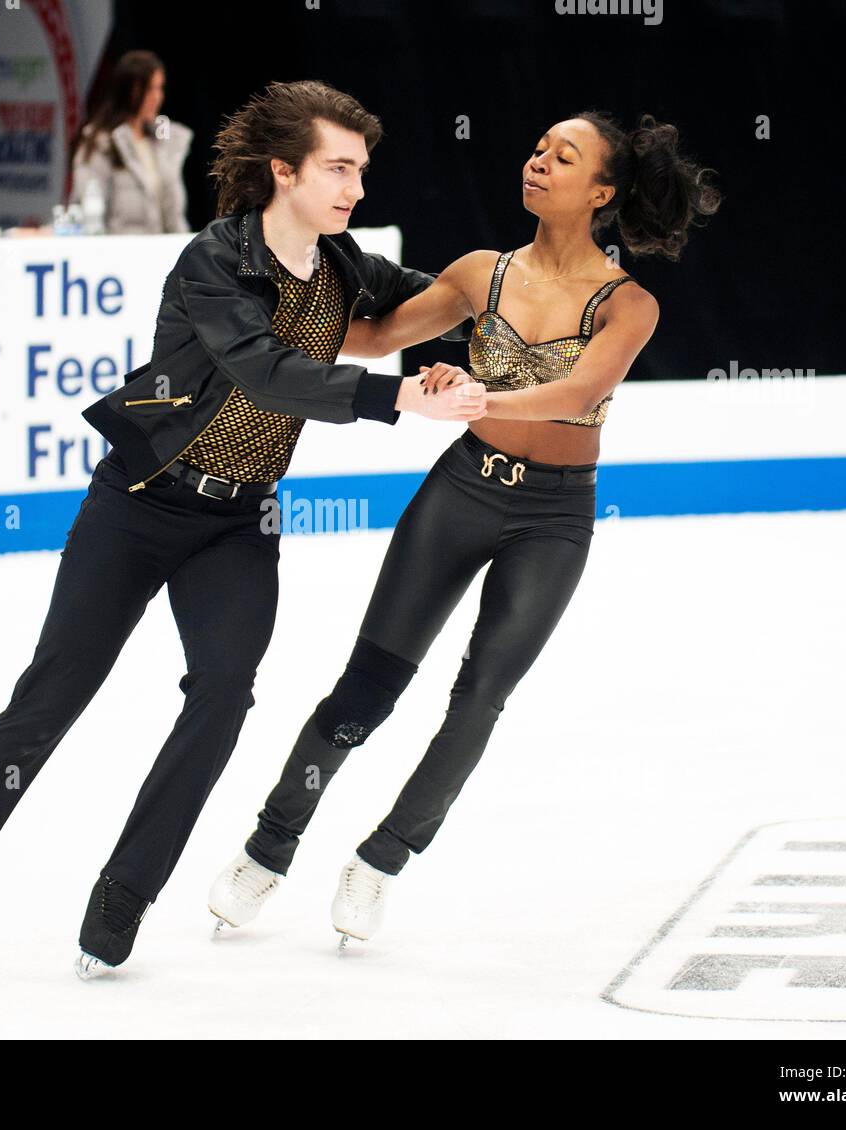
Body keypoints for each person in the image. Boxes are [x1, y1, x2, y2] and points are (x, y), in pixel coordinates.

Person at [0, 80, 483, 976]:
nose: (355, 187)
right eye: (338, 168)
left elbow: (434, 299)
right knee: (50, 699)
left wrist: (506, 300)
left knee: (224, 696)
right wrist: (396, 398)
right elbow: (266, 372)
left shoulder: (344, 268)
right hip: (139, 503)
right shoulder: (213, 261)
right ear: (283, 171)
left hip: (238, 521)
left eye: (360, 170)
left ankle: (125, 894)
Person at [209, 111, 720, 946]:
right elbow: (374, 337)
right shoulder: (480, 273)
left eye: (564, 157)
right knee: (366, 688)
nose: (538, 161)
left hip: (554, 516)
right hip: (463, 492)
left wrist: (470, 395)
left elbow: (575, 392)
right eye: (536, 147)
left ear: (601, 191)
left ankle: (381, 860)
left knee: (479, 700)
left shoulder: (632, 306)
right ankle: (269, 846)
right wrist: (284, 288)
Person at [69, 50, 191, 234]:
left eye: (160, 88)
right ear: (131, 90)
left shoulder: (162, 142)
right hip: (117, 255)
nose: (157, 97)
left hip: (160, 254)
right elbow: (88, 210)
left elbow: (173, 213)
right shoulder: (101, 143)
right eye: (150, 88)